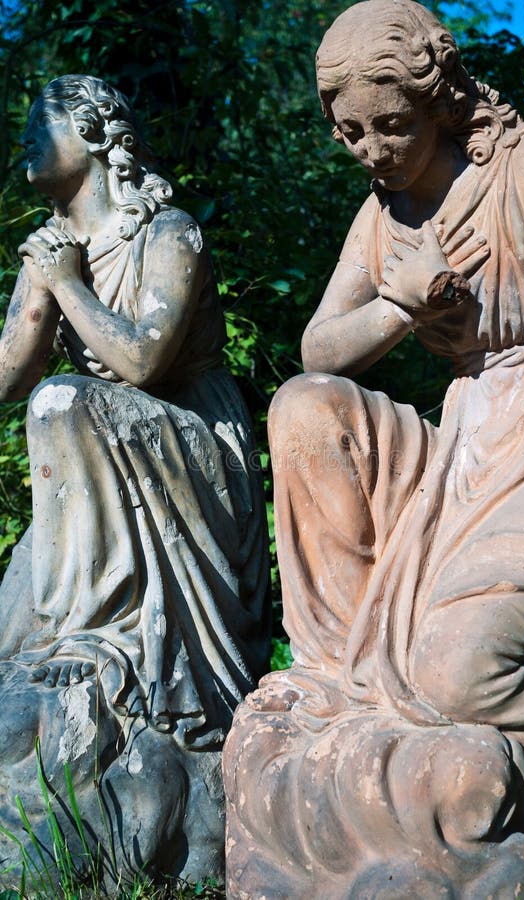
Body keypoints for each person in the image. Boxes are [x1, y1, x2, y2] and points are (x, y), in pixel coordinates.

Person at [223, 2, 524, 895]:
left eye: (390, 124)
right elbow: (320, 347)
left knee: (462, 667)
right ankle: (341, 668)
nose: (370, 148)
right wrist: (400, 305)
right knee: (307, 405)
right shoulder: (384, 212)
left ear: (442, 99)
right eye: (348, 131)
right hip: (473, 437)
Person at [0, 74, 269, 881]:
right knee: (53, 408)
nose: (20, 143)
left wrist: (69, 284)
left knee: (61, 405)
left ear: (90, 136)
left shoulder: (166, 231)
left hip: (188, 447)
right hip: (92, 438)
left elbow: (144, 362)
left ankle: (106, 638)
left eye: (35, 127)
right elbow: (8, 379)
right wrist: (44, 291)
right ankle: (78, 629)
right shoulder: (52, 244)